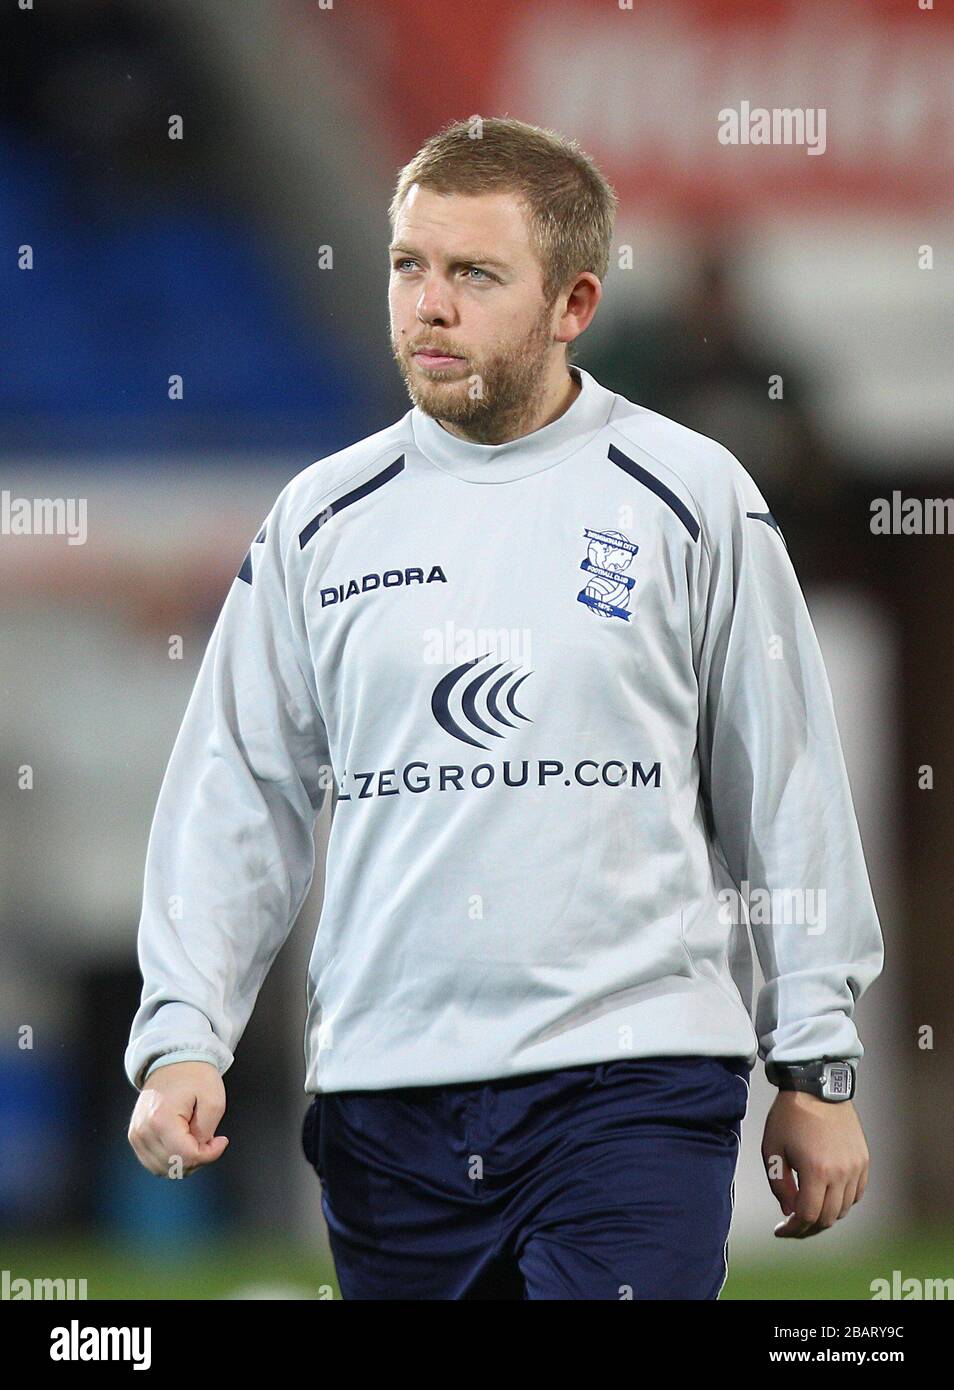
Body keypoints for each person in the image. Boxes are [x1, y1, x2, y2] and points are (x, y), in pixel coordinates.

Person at [126, 116, 884, 1300]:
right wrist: (185, 1033)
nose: (428, 305)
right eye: (408, 266)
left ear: (574, 302)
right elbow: (237, 794)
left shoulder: (691, 498)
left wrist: (818, 1061)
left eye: (474, 274)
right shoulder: (322, 520)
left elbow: (783, 786)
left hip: (635, 1084)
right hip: (389, 1099)